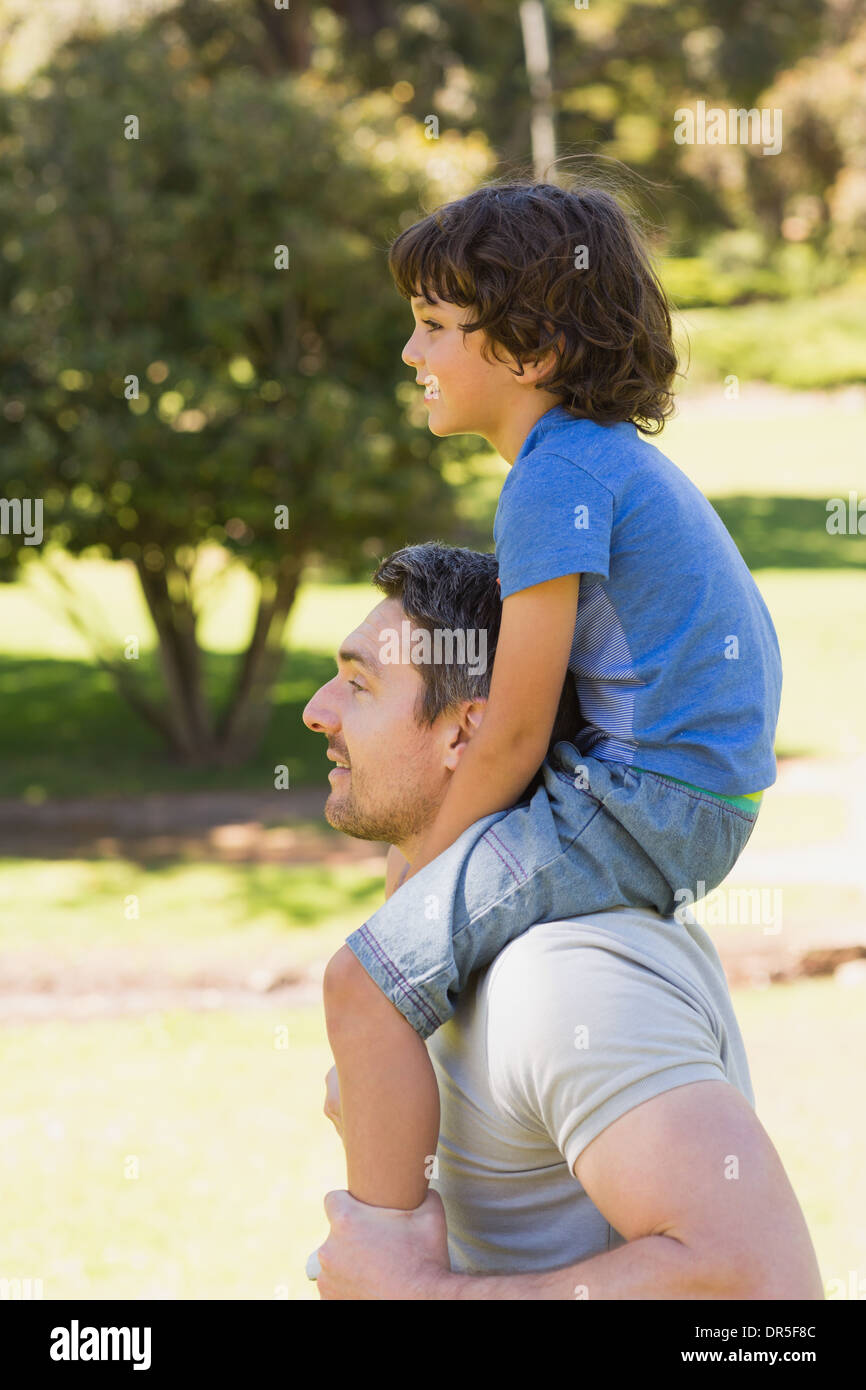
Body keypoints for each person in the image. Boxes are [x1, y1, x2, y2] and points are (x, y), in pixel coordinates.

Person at [321, 179, 783, 1216]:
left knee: (362, 984)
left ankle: (383, 1257)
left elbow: (514, 729)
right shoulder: (596, 462)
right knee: (407, 912)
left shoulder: (549, 479)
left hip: (641, 802)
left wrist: (417, 886)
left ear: (528, 353)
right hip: (665, 795)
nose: (411, 354)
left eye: (436, 328)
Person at [303, 544, 821, 1298]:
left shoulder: (564, 977)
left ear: (463, 732)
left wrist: (422, 1294)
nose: (317, 710)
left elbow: (765, 1292)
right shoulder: (432, 937)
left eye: (359, 685)